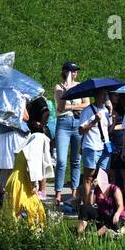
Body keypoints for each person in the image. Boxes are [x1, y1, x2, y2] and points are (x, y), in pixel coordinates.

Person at [53, 62, 88, 201]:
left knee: (76, 160)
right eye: (72, 71)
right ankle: (58, 192)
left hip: (78, 123)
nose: (75, 73)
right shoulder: (59, 87)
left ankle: (74, 192)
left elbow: (86, 104)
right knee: (61, 160)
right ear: (65, 72)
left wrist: (72, 107)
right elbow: (60, 107)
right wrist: (66, 91)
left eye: (76, 71)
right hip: (63, 123)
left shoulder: (80, 86)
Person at [75, 165, 125, 236]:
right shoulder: (97, 189)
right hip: (103, 215)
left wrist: (117, 214)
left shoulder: (114, 189)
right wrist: (92, 189)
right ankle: (80, 233)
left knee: (112, 223)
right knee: (85, 208)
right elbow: (89, 203)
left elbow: (120, 206)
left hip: (115, 215)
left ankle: (94, 235)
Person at [78, 89, 114, 183]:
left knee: (103, 176)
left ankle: (99, 193)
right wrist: (94, 121)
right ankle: (87, 193)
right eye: (103, 95)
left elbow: (108, 129)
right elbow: (81, 131)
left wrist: (111, 114)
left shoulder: (106, 110)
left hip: (105, 146)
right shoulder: (87, 111)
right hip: (92, 146)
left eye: (106, 94)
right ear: (96, 96)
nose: (106, 97)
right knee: (89, 177)